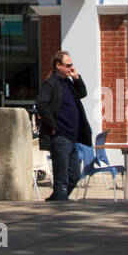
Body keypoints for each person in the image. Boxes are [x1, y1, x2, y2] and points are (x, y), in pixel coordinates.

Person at [35, 52, 92, 201]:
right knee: (62, 180)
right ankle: (59, 210)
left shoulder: (68, 83)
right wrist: (53, 127)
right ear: (58, 65)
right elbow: (41, 104)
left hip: (72, 138)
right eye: (67, 65)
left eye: (71, 65)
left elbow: (83, 93)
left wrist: (76, 78)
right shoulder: (51, 83)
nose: (70, 68)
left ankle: (55, 200)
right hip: (60, 137)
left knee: (74, 176)